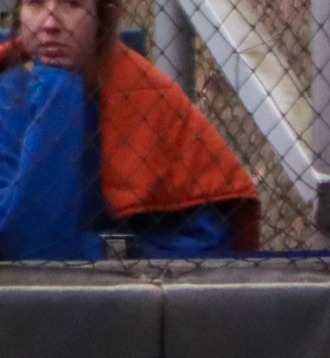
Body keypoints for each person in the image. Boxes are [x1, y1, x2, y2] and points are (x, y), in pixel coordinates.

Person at [0, 0, 259, 259]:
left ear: (103, 18)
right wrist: (57, 90)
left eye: (72, 5)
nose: (50, 24)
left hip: (135, 288)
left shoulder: (147, 94)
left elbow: (213, 239)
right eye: (35, 3)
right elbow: (29, 242)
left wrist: (105, 251)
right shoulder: (6, 99)